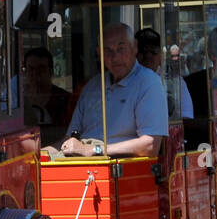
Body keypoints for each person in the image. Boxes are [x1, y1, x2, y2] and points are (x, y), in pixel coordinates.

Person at [60, 23, 167, 157]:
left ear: (134, 47)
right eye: (107, 50)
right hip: (81, 166)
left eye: (121, 48)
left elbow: (150, 145)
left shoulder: (148, 83)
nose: (115, 57)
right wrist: (41, 153)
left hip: (122, 172)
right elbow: (68, 140)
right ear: (99, 53)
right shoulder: (91, 87)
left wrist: (94, 150)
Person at [136, 28, 192, 120]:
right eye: (143, 50)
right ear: (134, 53)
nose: (148, 55)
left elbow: (186, 120)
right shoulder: (125, 81)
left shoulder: (176, 83)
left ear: (161, 55)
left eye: (154, 51)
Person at [23, 46, 71, 127]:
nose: (35, 74)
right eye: (31, 69)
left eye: (41, 69)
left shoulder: (65, 99)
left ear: (51, 72)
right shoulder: (16, 100)